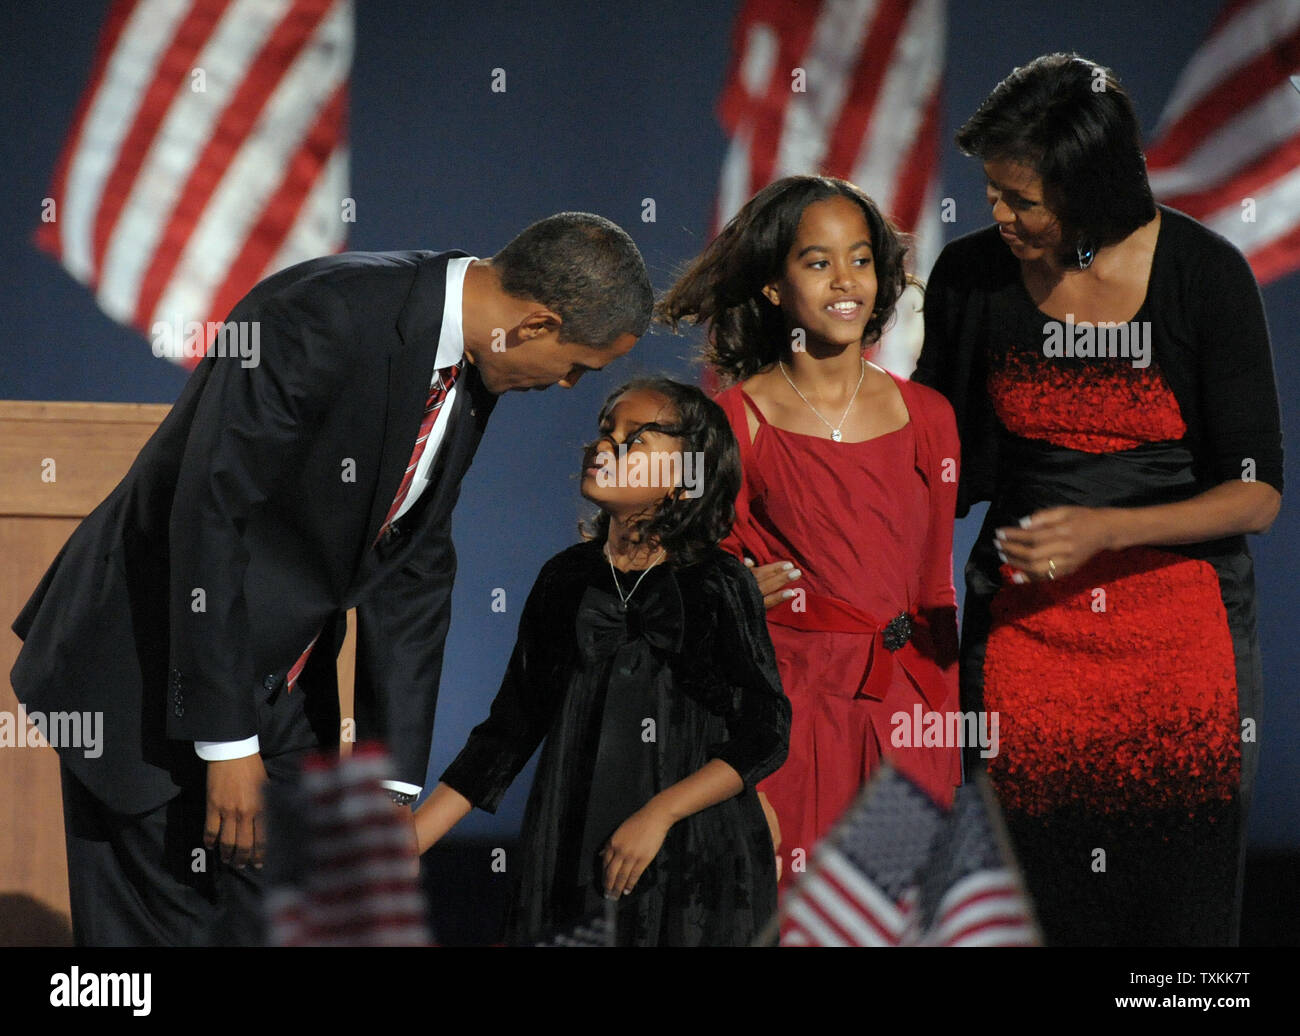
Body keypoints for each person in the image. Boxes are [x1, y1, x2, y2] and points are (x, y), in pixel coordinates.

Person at [10, 212, 653, 946]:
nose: (568, 385)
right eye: (577, 366)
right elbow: (211, 517)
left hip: (280, 688)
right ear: (537, 323)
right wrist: (227, 743)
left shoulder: (470, 367)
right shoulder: (321, 314)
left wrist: (389, 789)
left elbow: (414, 565)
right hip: (149, 675)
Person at [913, 53, 1284, 946]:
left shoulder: (1206, 275)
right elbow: (929, 459)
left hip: (1182, 651)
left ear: (1096, 189)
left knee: (1180, 914)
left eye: (1022, 200)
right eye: (992, 193)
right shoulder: (972, 278)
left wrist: (1108, 530)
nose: (998, 216)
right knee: (1031, 904)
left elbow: (1256, 495)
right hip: (1025, 644)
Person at [658, 175, 962, 883]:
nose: (845, 281)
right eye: (817, 262)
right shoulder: (734, 422)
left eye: (860, 259)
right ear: (772, 285)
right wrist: (727, 589)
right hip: (791, 716)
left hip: (909, 711)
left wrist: (939, 731)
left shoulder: (931, 417)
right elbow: (677, 578)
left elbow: (935, 583)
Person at [413, 378, 790, 946]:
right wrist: (409, 841)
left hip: (693, 853)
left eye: (636, 439)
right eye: (605, 433)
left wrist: (659, 814)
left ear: (687, 481)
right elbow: (509, 731)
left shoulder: (718, 583)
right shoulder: (565, 577)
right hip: (575, 838)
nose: (604, 448)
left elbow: (766, 731)